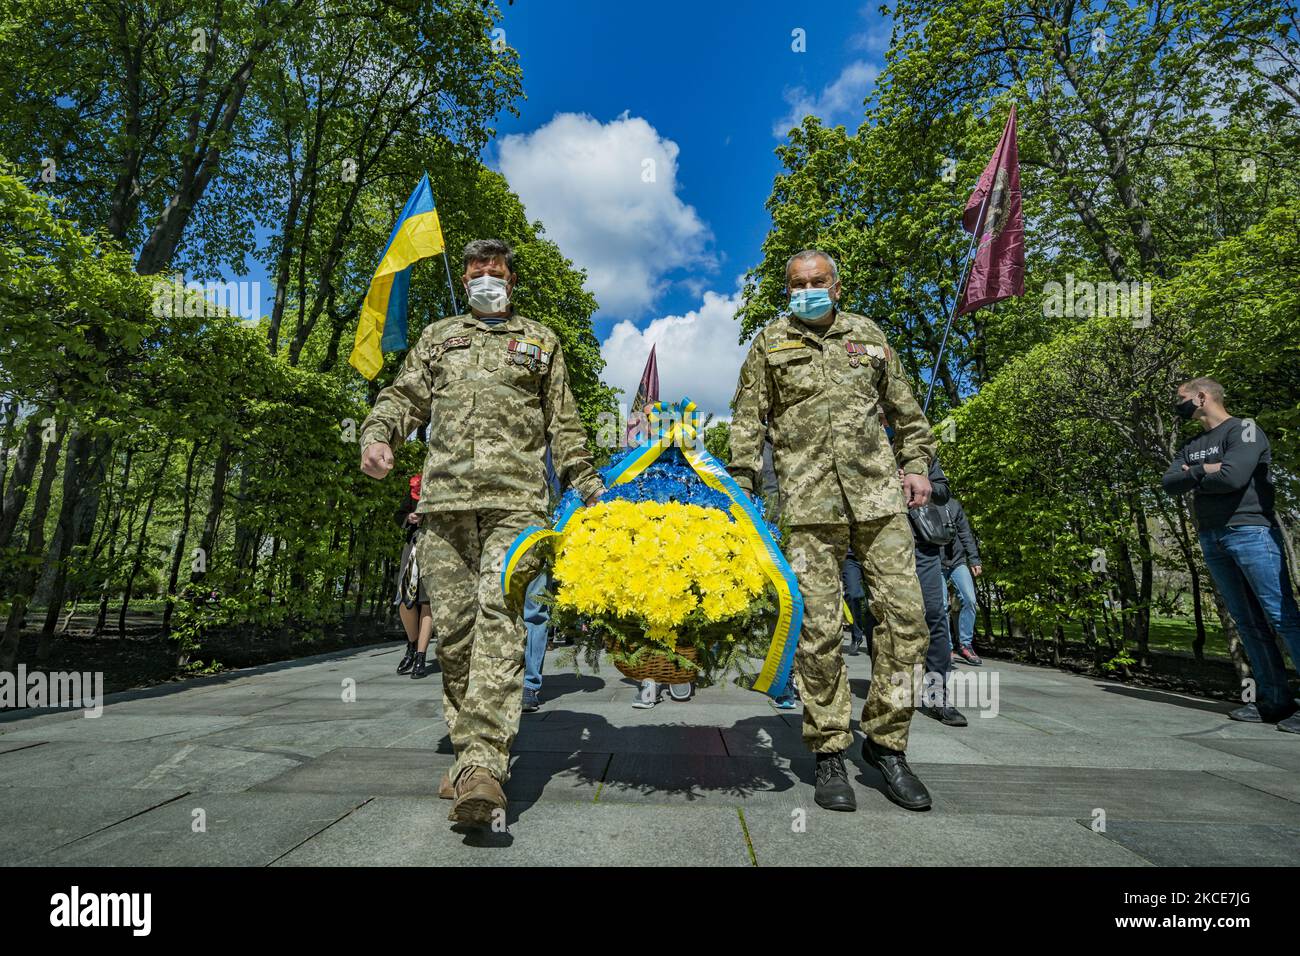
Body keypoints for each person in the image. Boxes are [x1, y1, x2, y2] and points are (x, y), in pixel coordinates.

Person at [359, 238, 606, 827]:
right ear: (466, 278)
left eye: (495, 268)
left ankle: (485, 770)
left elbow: (564, 422)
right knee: (459, 635)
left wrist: (591, 486)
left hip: (518, 505)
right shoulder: (440, 335)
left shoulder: (541, 340)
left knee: (500, 618)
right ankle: (472, 751)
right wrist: (378, 435)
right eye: (475, 269)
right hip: (444, 507)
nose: (484, 276)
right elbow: (403, 395)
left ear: (511, 279)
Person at [728, 248, 937, 812]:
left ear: (837, 286)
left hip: (879, 501)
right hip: (808, 508)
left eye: (818, 282)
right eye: (797, 284)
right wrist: (741, 488)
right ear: (787, 289)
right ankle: (828, 751)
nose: (808, 291)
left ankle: (887, 744)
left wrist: (916, 464)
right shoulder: (770, 343)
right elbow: (748, 420)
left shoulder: (869, 336)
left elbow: (907, 411)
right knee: (818, 632)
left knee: (908, 624)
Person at [1161, 377, 1299, 735]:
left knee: (1282, 616)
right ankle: (1274, 700)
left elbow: (1235, 478)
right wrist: (1206, 470)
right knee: (1247, 620)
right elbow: (1170, 482)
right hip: (1212, 536)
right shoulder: (1193, 443)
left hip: (1251, 532)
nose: (1178, 405)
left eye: (1182, 399)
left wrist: (1196, 473)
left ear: (1202, 397)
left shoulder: (1245, 430)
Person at [902, 449, 967, 727]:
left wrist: (918, 479)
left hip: (922, 544)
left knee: (934, 614)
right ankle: (896, 688)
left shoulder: (918, 449)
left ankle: (937, 695)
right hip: (877, 541)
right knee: (884, 616)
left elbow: (943, 493)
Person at [394, 474, 434, 678]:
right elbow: (398, 514)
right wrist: (409, 517)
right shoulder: (415, 484)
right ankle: (411, 645)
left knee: (427, 601)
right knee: (404, 600)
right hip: (413, 547)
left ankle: (421, 656)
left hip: (436, 547)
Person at [939, 494, 983, 665]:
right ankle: (946, 647)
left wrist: (974, 559)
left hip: (957, 560)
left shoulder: (953, 504)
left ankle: (965, 645)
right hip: (935, 561)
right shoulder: (921, 502)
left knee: (970, 599)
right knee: (941, 605)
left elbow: (965, 532)